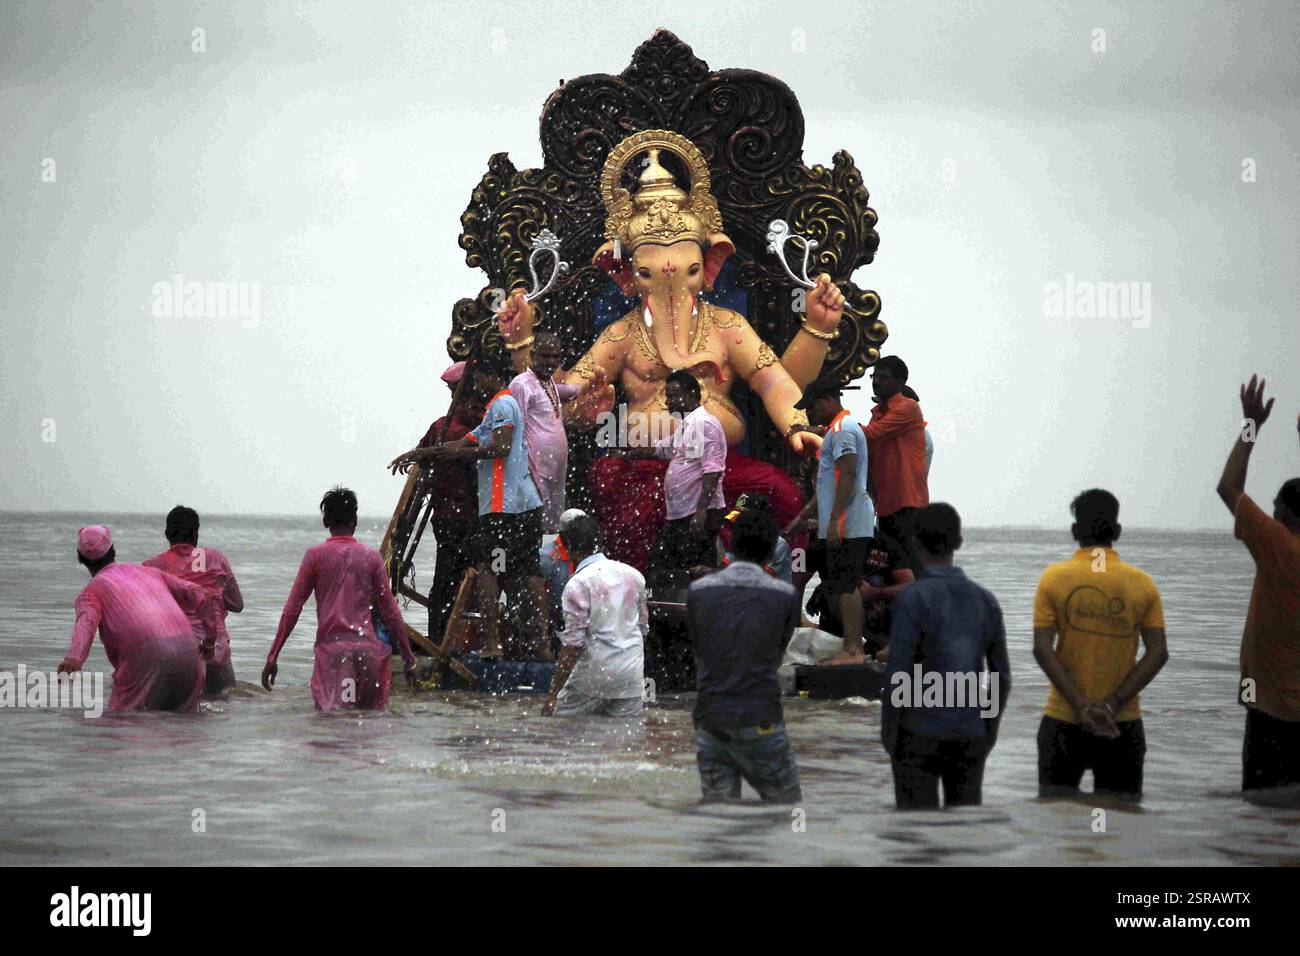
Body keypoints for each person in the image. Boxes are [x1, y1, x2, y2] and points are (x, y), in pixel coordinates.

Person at [400, 362, 549, 659]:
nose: (476, 387)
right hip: (516, 507)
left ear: (489, 375)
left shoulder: (503, 405)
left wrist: (467, 452)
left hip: (503, 509)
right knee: (521, 574)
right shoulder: (493, 411)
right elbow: (455, 446)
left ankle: (497, 643)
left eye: (478, 379)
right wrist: (419, 453)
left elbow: (501, 448)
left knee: (491, 572)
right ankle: (537, 645)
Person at [1032, 489, 1168, 799]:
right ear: (1117, 531)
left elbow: (1042, 649)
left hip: (1064, 721)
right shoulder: (1142, 584)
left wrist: (1080, 705)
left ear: (1075, 531)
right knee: (1121, 824)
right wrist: (1112, 703)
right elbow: (1158, 652)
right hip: (1122, 724)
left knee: (1058, 824)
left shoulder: (1053, 578)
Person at [881, 504, 1011, 809]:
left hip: (917, 734)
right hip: (969, 735)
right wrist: (987, 730)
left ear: (915, 542)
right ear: (959, 543)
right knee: (961, 837)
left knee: (915, 836)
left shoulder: (913, 599)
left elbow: (898, 674)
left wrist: (890, 734)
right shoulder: (985, 600)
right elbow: (1000, 677)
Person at [1214, 374, 1300, 791]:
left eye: (1275, 509)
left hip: (1271, 710)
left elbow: (1228, 487)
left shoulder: (1278, 546)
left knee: (1260, 814)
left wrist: (1252, 425)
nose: (1269, 514)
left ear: (1286, 518)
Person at [263, 487, 418, 710]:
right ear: (355, 520)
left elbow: (292, 609)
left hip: (335, 658)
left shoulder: (315, 556)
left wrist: (273, 656)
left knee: (335, 728)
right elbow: (391, 612)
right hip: (368, 655)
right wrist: (408, 659)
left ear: (326, 522)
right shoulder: (371, 558)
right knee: (368, 728)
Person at [687, 508, 802, 802]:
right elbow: (775, 654)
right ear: (771, 551)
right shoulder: (785, 597)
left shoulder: (698, 592)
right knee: (787, 814)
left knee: (719, 818)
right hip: (761, 721)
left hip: (711, 724)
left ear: (732, 546)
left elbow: (701, 649)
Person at [59, 525, 219, 713]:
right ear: (113, 550)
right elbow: (202, 595)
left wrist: (74, 658)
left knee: (122, 725)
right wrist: (209, 642)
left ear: (80, 558)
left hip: (146, 661)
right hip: (189, 657)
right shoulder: (150, 572)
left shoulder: (91, 593)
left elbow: (86, 623)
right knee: (183, 728)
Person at [388, 362, 483, 641]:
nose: (475, 410)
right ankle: (445, 639)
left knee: (450, 583)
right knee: (455, 583)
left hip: (455, 517)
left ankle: (443, 637)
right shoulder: (451, 429)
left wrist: (418, 455)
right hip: (458, 518)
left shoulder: (451, 428)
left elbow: (424, 454)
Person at [787, 379, 875, 665]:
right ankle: (850, 646)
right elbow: (825, 481)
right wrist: (804, 517)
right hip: (840, 523)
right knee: (839, 585)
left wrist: (836, 519)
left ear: (827, 400)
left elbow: (847, 475)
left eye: (811, 406)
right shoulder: (837, 430)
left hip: (848, 523)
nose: (808, 413)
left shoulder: (843, 430)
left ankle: (853, 650)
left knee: (848, 586)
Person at [542, 515, 648, 717]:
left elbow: (573, 645)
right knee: (626, 742)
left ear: (569, 548)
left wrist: (553, 695)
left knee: (558, 732)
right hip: (631, 678)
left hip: (592, 678)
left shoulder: (578, 583)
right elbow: (642, 630)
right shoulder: (634, 576)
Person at [142, 505, 243, 697]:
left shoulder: (150, 567)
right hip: (215, 654)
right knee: (222, 704)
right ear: (196, 534)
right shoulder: (216, 559)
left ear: (167, 534)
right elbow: (237, 605)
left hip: (172, 655)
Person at [508, 331, 604, 532]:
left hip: (555, 467)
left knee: (553, 524)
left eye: (555, 356)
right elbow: (516, 430)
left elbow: (563, 391)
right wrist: (525, 472)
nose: (551, 361)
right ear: (533, 355)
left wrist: (584, 391)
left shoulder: (547, 382)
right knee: (534, 523)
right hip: (534, 468)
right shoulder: (521, 384)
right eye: (546, 356)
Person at [647, 370, 728, 576]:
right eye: (667, 396)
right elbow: (663, 449)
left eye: (672, 396)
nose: (667, 402)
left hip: (698, 513)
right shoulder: (688, 424)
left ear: (691, 395)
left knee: (695, 571)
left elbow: (713, 470)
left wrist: (701, 512)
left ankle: (699, 607)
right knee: (675, 569)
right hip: (683, 513)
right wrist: (626, 454)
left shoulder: (705, 424)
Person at [864, 357, 929, 554]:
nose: (876, 382)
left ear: (900, 382)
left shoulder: (908, 407)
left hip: (908, 503)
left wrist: (827, 428)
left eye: (882, 377)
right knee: (892, 566)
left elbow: (870, 434)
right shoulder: (877, 414)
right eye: (874, 376)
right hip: (885, 503)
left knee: (910, 565)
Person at [719, 494, 792, 583]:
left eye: (742, 517)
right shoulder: (739, 538)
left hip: (772, 593)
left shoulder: (778, 543)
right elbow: (724, 567)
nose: (737, 522)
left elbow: (757, 578)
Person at [540, 508, 587, 637]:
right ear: (565, 534)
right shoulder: (548, 557)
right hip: (555, 619)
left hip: (582, 615)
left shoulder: (588, 550)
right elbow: (537, 596)